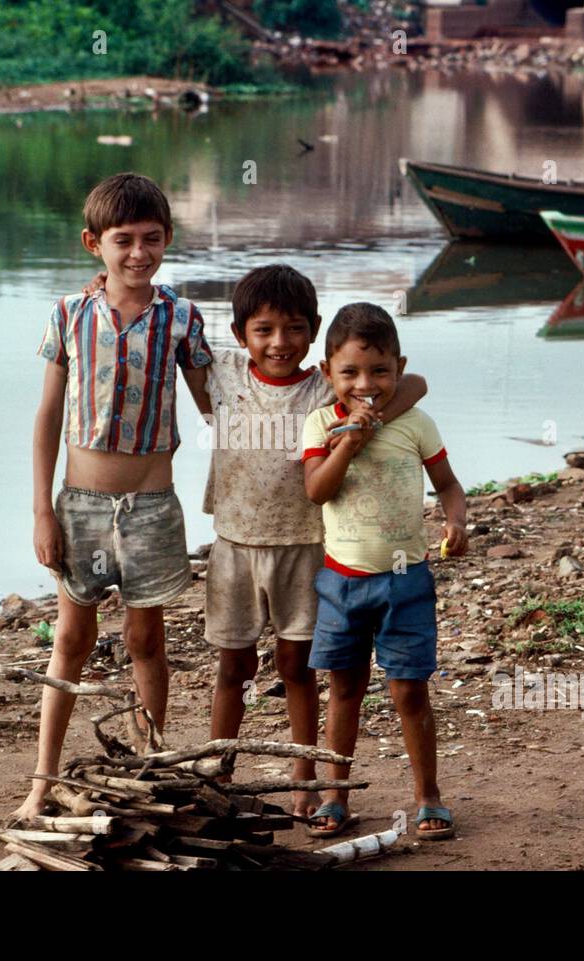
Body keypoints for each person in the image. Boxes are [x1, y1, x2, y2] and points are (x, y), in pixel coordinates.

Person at [12, 172, 212, 822]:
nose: (138, 253)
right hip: (81, 506)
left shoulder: (181, 317)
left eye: (151, 239)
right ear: (92, 243)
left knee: (146, 640)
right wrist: (43, 508)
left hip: (153, 507)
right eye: (122, 240)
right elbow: (46, 416)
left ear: (168, 239)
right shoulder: (69, 314)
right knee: (70, 638)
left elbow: (216, 403)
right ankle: (42, 778)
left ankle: (152, 763)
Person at [199, 266, 426, 819]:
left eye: (295, 328)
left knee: (295, 667)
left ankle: (303, 776)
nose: (280, 342)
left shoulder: (327, 385)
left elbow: (415, 383)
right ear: (239, 336)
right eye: (264, 330)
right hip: (233, 544)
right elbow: (171, 331)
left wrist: (363, 422)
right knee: (233, 667)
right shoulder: (223, 373)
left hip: (305, 545)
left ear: (314, 332)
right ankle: (216, 773)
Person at [300, 302, 468, 840]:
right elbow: (316, 490)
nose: (365, 383)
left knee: (409, 691)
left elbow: (448, 484)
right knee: (343, 689)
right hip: (342, 580)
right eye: (349, 372)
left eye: (379, 371)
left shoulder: (416, 423)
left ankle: (428, 797)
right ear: (328, 373)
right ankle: (334, 796)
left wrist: (456, 521)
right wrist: (348, 441)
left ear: (399, 366)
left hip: (406, 581)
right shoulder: (321, 423)